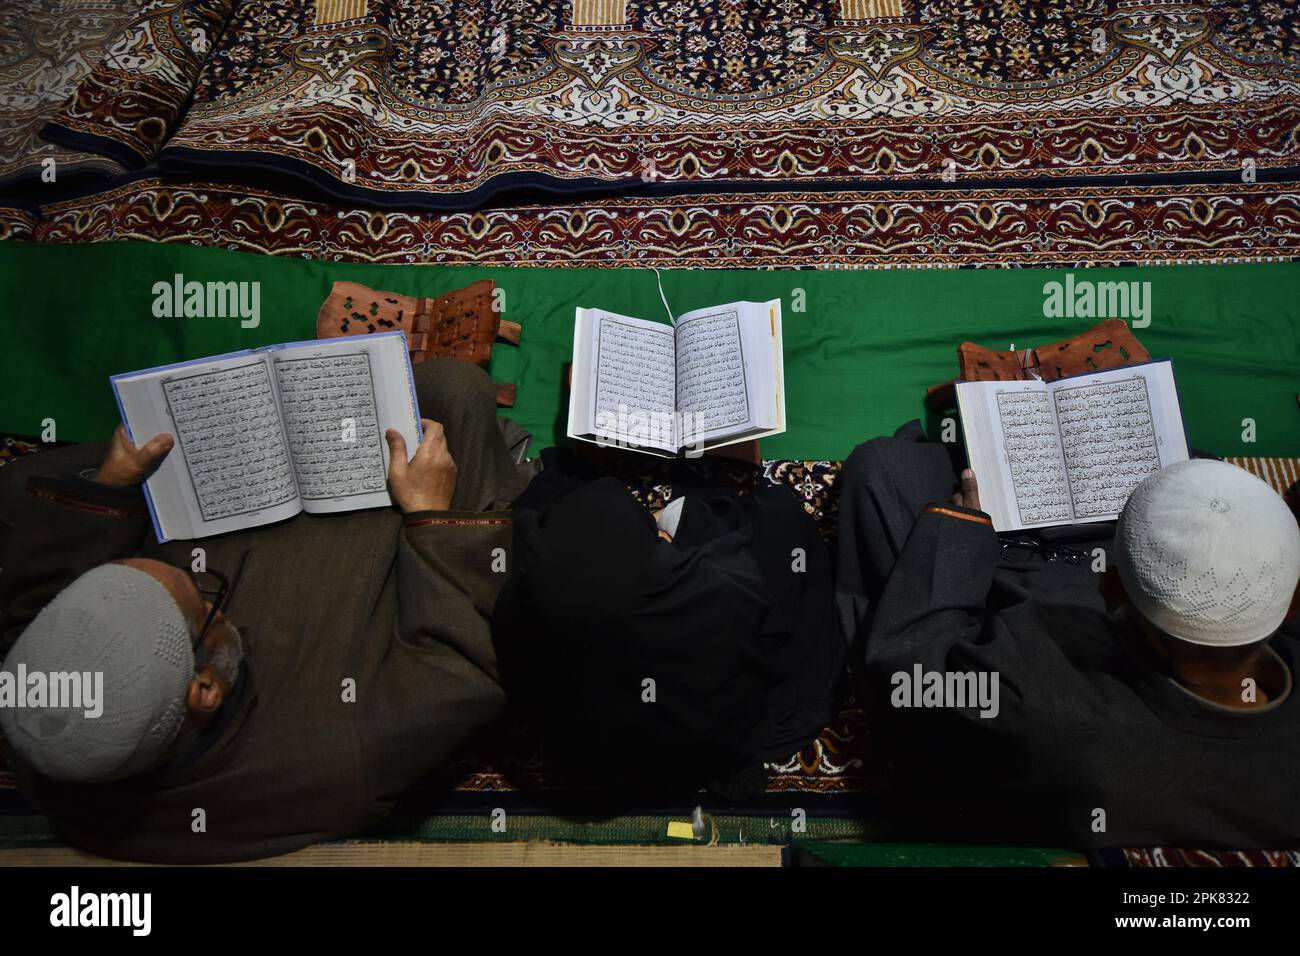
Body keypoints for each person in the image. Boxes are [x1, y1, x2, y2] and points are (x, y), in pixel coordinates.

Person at [0, 359, 530, 863]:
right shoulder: (343, 756)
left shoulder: (38, 710)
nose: (198, 576)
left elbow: (32, 593)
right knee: (456, 392)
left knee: (30, 484)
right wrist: (430, 516)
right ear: (204, 689)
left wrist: (110, 489)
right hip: (364, 575)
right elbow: (463, 663)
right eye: (203, 599)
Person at [836, 421, 1300, 849]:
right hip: (1114, 676)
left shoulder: (1033, 697)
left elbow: (910, 670)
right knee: (1198, 465)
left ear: (1111, 586)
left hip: (1014, 676)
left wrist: (957, 534)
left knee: (883, 468)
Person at [491, 452, 844, 804]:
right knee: (771, 516)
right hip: (715, 721)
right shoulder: (724, 595)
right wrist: (668, 541)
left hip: (591, 747)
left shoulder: (527, 606)